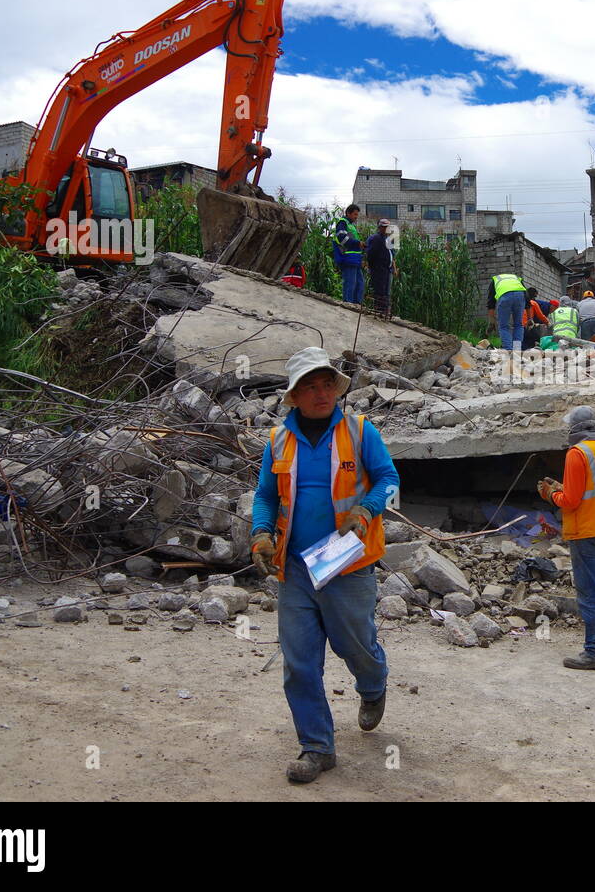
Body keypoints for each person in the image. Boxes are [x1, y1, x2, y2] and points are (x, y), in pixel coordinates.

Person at [250, 346, 401, 783]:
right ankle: (317, 746)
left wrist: (367, 510)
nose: (321, 394)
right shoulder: (278, 440)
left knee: (355, 647)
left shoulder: (359, 432)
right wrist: (261, 532)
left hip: (347, 564)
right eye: (309, 388)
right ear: (293, 397)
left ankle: (373, 686)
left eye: (326, 385)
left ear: (337, 389)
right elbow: (265, 495)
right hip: (296, 567)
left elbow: (389, 479)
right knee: (299, 662)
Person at [537, 405, 595, 670]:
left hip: (585, 530)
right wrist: (564, 488)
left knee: (591, 592)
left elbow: (571, 501)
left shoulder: (577, 453)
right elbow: (591, 489)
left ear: (575, 428)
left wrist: (551, 494)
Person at [332, 205, 366, 305]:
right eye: (355, 214)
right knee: (350, 284)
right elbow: (341, 238)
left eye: (357, 215)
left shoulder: (351, 226)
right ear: (348, 213)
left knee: (360, 284)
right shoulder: (343, 223)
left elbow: (352, 241)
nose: (356, 217)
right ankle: (348, 304)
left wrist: (360, 246)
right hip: (348, 259)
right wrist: (357, 243)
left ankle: (356, 305)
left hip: (355, 260)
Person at [486, 272, 528, 350]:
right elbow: (527, 299)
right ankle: (517, 349)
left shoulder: (495, 279)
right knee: (518, 325)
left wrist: (492, 321)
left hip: (505, 296)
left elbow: (491, 302)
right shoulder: (517, 278)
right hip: (520, 295)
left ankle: (508, 350)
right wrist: (530, 319)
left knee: (503, 326)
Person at [365, 219, 396, 317]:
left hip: (387, 269)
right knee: (380, 291)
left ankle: (384, 311)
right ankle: (379, 311)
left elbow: (392, 255)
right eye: (384, 227)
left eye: (387, 227)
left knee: (386, 291)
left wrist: (394, 268)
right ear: (380, 227)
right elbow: (370, 254)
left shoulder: (388, 239)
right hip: (379, 269)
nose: (386, 229)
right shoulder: (376, 238)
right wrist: (372, 266)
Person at [522, 286, 550, 350]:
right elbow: (541, 315)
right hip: (527, 326)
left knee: (517, 339)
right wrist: (547, 322)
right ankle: (528, 352)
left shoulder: (520, 302)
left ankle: (516, 351)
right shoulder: (533, 303)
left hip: (517, 326)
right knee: (535, 338)